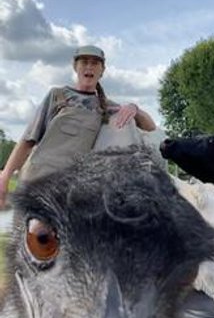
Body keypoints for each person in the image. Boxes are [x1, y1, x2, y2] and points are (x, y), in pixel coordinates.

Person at [0, 45, 155, 208]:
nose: (89, 67)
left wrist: (134, 109)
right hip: (37, 180)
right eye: (84, 62)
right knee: (36, 230)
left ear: (102, 70)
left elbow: (150, 127)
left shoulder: (108, 108)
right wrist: (5, 177)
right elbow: (27, 140)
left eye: (95, 63)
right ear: (75, 67)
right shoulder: (57, 96)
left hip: (72, 191)